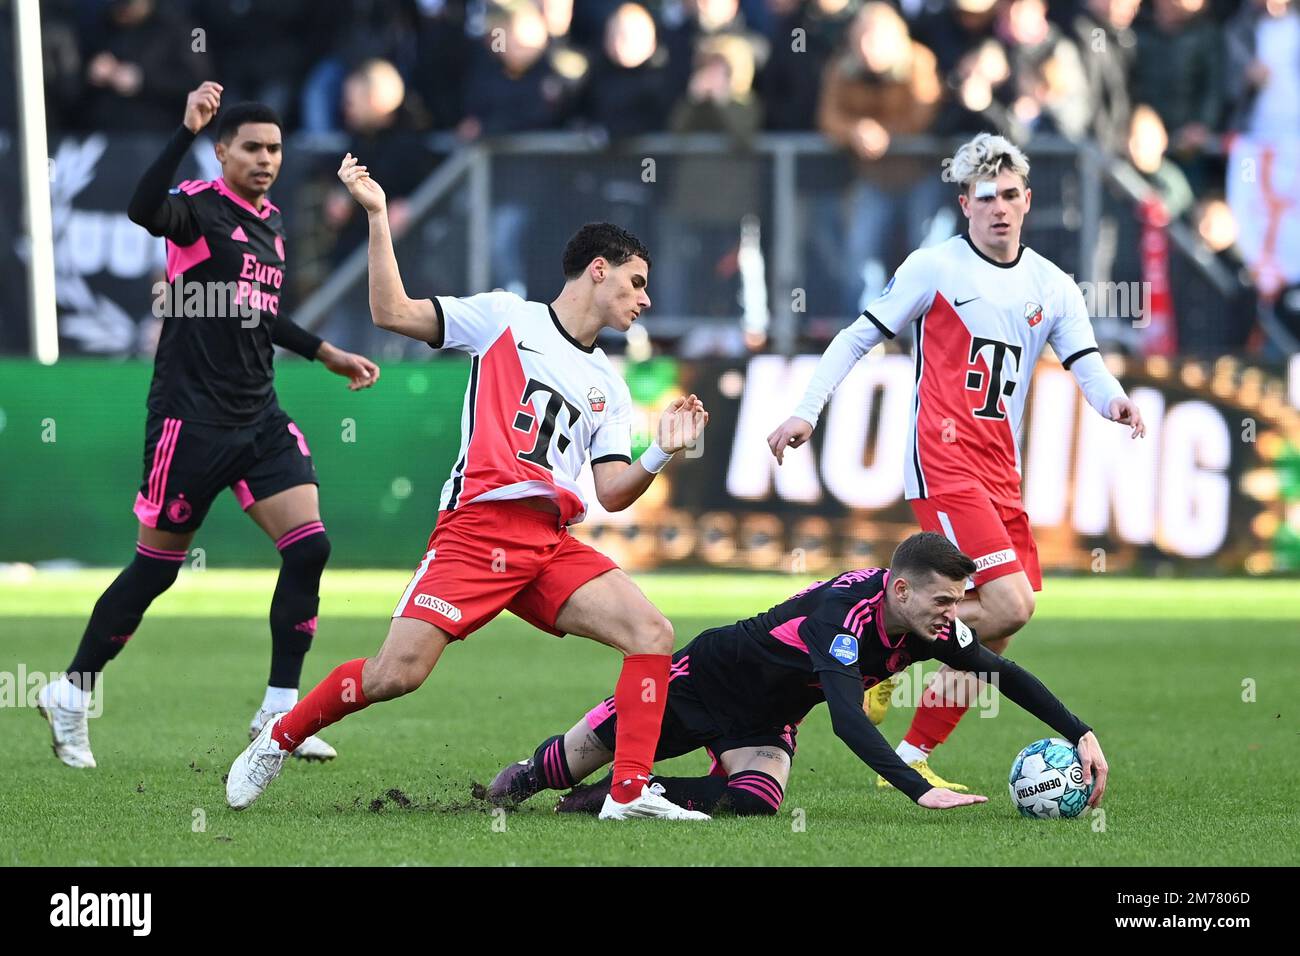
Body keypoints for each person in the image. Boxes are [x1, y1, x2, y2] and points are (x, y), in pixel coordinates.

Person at [226, 159, 712, 821]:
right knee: (396, 674)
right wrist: (375, 215)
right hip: (478, 530)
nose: (645, 298)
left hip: (548, 541)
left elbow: (612, 492)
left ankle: (627, 794)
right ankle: (278, 738)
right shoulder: (506, 319)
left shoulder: (611, 386)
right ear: (598, 268)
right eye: (636, 281)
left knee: (651, 631)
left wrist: (660, 450)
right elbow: (390, 311)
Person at [767, 132, 1145, 790]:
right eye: (985, 197)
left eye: (1009, 196)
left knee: (994, 628)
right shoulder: (935, 268)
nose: (998, 207)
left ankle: (910, 755)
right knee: (1010, 603)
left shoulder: (1051, 286)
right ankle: (878, 655)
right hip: (943, 463)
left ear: (1026, 201)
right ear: (964, 202)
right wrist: (807, 408)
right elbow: (859, 336)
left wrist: (1114, 403)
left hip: (1003, 472)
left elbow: (1086, 360)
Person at [37, 82, 380, 768]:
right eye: (250, 147)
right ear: (221, 150)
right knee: (154, 571)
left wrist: (324, 351)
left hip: (259, 417)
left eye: (275, 149)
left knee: (309, 547)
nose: (265, 159)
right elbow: (141, 209)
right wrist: (182, 128)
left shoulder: (272, 225)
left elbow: (261, 310)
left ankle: (280, 712)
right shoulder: (197, 209)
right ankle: (71, 694)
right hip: (189, 422)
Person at [487, 532, 1108, 817]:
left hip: (766, 717)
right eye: (946, 600)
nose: (956, 613)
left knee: (754, 803)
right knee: (552, 768)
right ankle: (502, 794)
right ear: (901, 591)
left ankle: (616, 799)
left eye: (959, 600)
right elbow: (845, 718)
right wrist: (921, 789)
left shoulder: (928, 626)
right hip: (702, 682)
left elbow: (1004, 673)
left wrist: (1079, 731)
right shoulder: (845, 618)